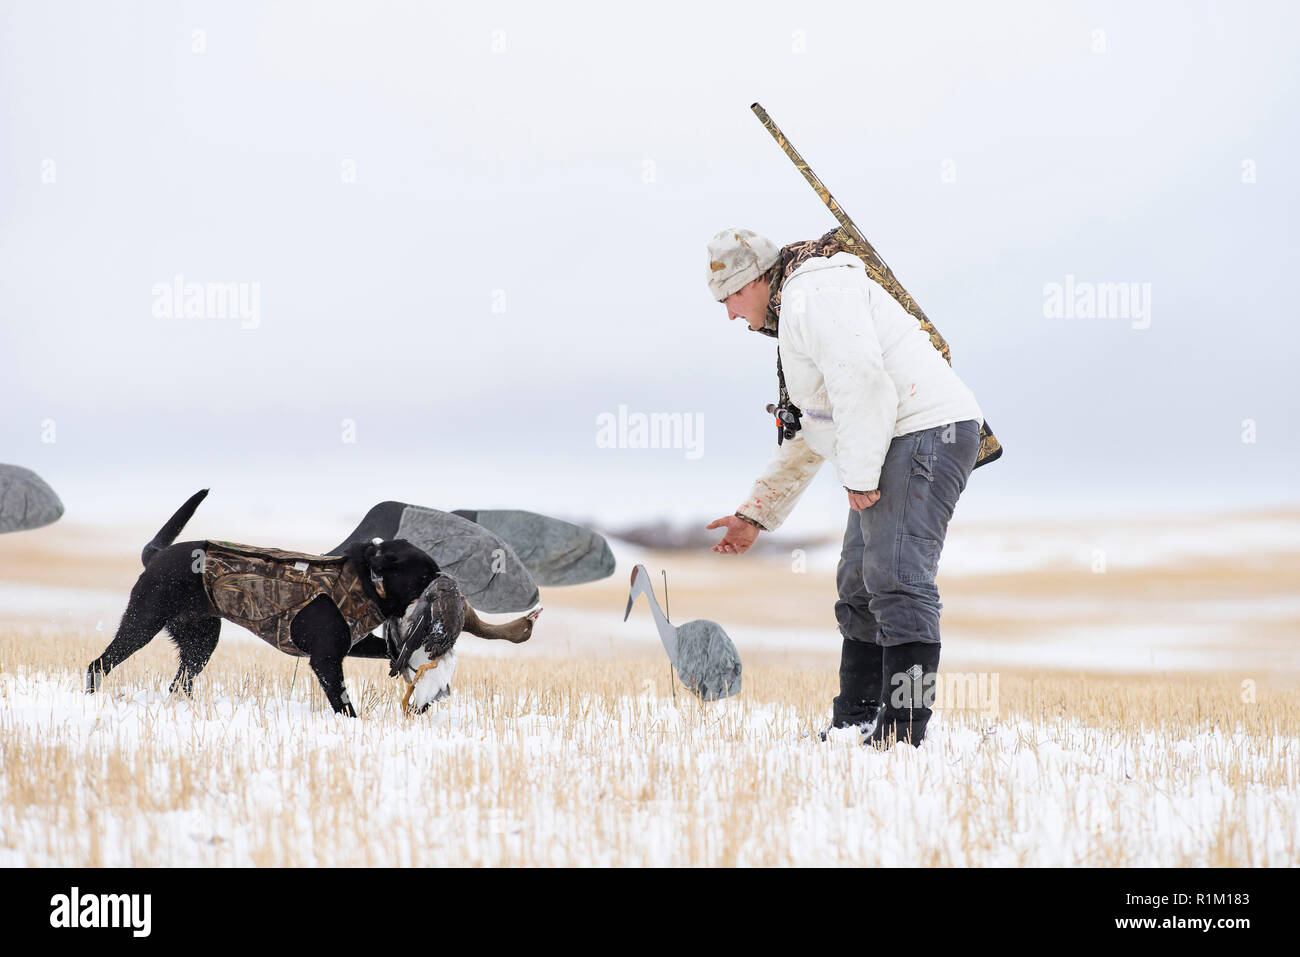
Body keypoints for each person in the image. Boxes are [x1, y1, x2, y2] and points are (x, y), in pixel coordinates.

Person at [704, 228, 984, 748]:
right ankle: (853, 723)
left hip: (925, 430)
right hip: (894, 433)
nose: (729, 315)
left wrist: (857, 475)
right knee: (858, 581)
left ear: (755, 279)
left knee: (896, 576)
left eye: (730, 298)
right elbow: (818, 426)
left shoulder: (815, 294)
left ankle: (901, 736)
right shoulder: (798, 309)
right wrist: (756, 514)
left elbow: (864, 382)